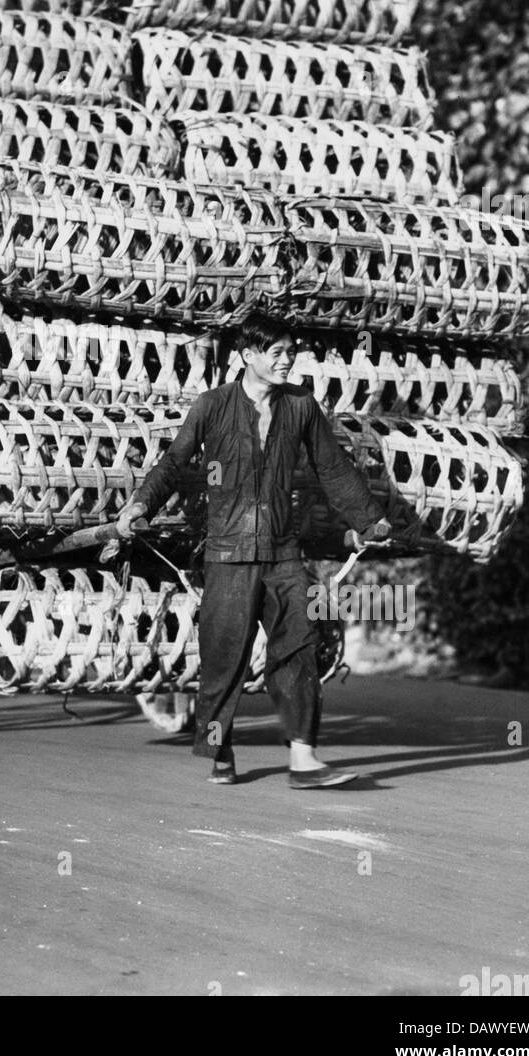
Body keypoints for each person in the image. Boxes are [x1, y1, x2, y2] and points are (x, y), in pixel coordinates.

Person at [117, 312, 390, 789]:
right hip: (228, 555)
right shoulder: (213, 406)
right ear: (249, 356)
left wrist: (369, 520)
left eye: (292, 352)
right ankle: (220, 750)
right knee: (225, 659)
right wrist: (140, 503)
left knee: (299, 651)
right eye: (277, 353)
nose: (287, 361)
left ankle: (303, 760)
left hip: (284, 554)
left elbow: (333, 468)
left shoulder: (301, 405)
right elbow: (176, 463)